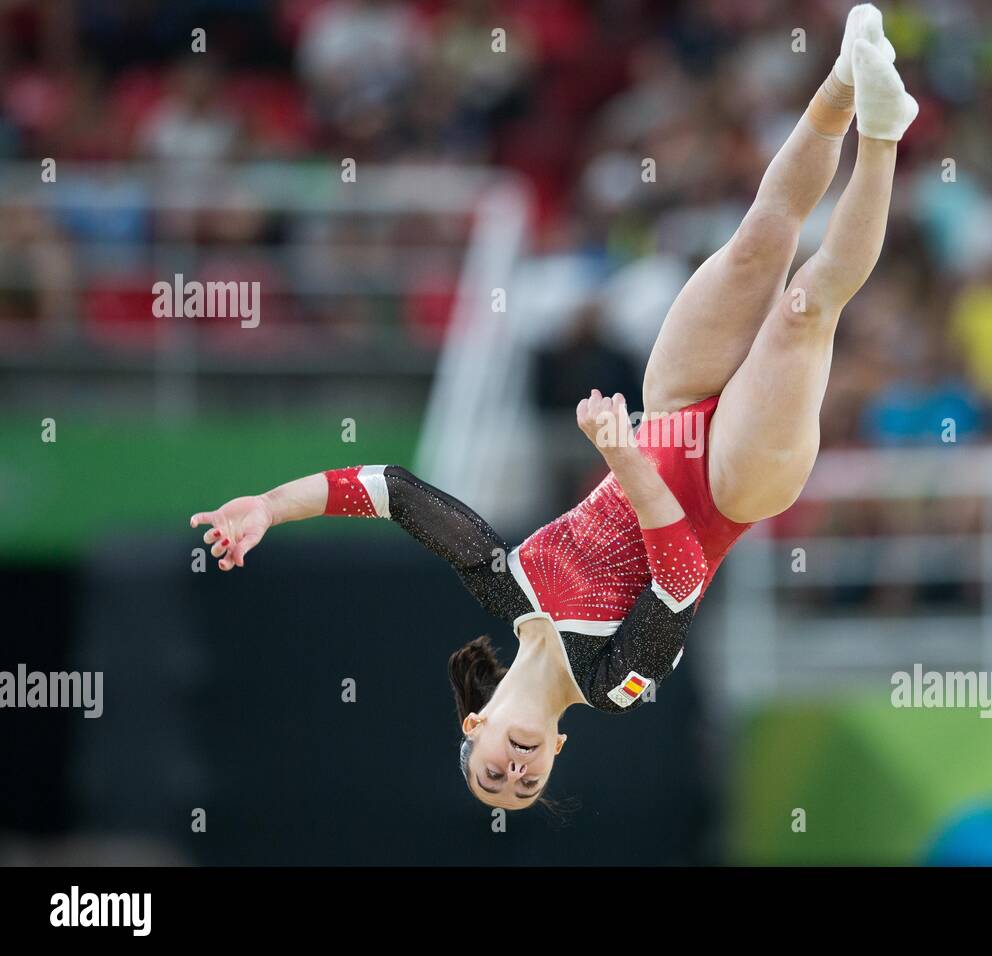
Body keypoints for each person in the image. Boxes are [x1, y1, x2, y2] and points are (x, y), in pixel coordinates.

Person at [189, 4, 918, 810]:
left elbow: (396, 490)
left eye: (493, 771)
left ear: (475, 726)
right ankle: (884, 133)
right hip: (732, 486)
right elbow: (678, 578)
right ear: (558, 754)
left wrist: (270, 505)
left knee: (757, 243)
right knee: (803, 311)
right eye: (526, 785)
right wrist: (621, 456)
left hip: (669, 412)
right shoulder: (618, 686)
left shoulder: (513, 584)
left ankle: (847, 82)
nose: (516, 770)